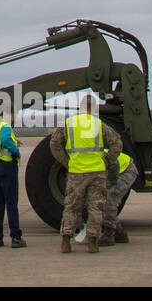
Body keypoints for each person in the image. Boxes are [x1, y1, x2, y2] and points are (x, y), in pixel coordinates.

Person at [48, 93, 122, 253]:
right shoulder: (99, 124)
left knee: (72, 207)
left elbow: (54, 144)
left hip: (76, 172)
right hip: (97, 172)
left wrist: (66, 162)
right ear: (94, 109)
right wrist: (106, 161)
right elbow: (117, 144)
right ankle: (92, 242)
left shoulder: (69, 124)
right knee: (96, 207)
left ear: (80, 107)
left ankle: (66, 241)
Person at [0, 110, 25, 248]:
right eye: (14, 115)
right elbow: (4, 140)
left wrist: (14, 141)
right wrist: (16, 150)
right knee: (11, 203)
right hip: (7, 166)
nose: (15, 118)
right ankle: (16, 237)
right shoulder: (5, 125)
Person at [97, 151, 139, 246]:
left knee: (110, 199)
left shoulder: (96, 155)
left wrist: (109, 185)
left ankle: (108, 235)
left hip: (126, 170)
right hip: (116, 169)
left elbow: (114, 166)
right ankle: (119, 233)